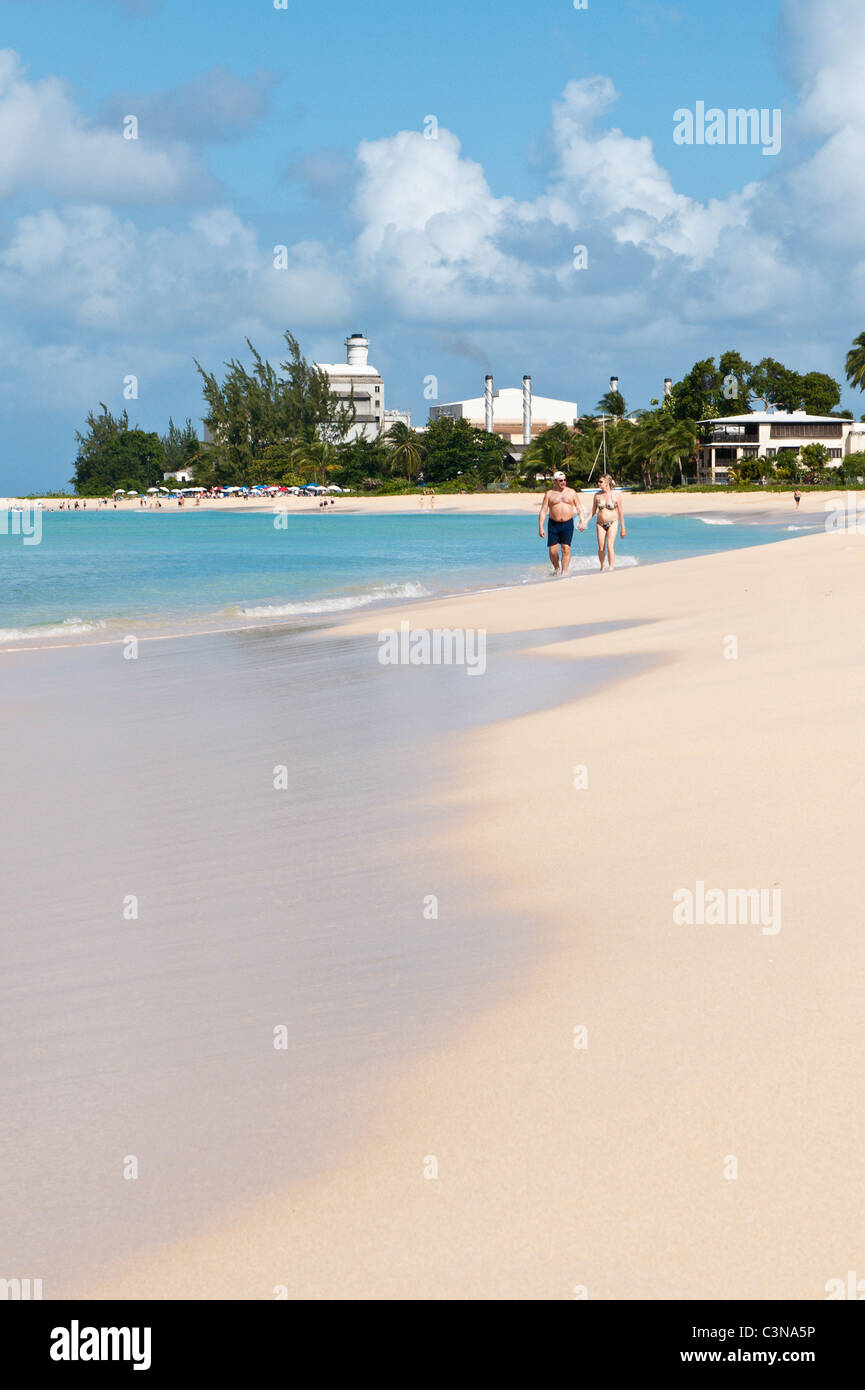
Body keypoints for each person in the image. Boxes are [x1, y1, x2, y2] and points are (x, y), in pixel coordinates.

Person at [538, 471, 586, 575]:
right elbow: (543, 511)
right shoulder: (549, 494)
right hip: (553, 524)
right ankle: (556, 569)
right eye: (560, 480)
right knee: (553, 551)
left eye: (564, 480)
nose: (563, 482)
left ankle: (564, 572)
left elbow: (579, 508)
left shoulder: (572, 492)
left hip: (568, 523)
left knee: (565, 548)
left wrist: (582, 521)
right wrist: (541, 527)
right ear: (555, 481)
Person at [591, 474, 626, 571]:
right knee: (601, 548)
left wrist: (623, 528)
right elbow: (593, 511)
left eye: (600, 482)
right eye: (599, 481)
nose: (598, 483)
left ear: (607, 483)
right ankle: (602, 566)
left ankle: (611, 567)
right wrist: (585, 521)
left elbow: (621, 513)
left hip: (613, 522)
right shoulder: (597, 495)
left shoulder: (616, 496)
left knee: (610, 545)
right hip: (600, 524)